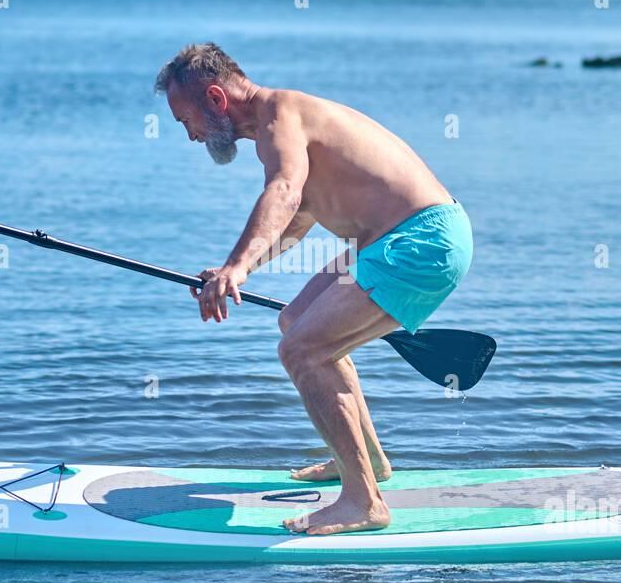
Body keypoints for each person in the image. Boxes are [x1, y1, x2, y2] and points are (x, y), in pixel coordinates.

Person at [154, 43, 473, 534]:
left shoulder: (281, 116)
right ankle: (368, 462)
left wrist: (236, 266)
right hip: (395, 240)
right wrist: (235, 269)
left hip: (421, 241)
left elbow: (284, 192)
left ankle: (364, 502)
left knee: (302, 351)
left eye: (185, 121)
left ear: (216, 99)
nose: (190, 136)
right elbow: (298, 217)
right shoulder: (277, 126)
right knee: (295, 322)